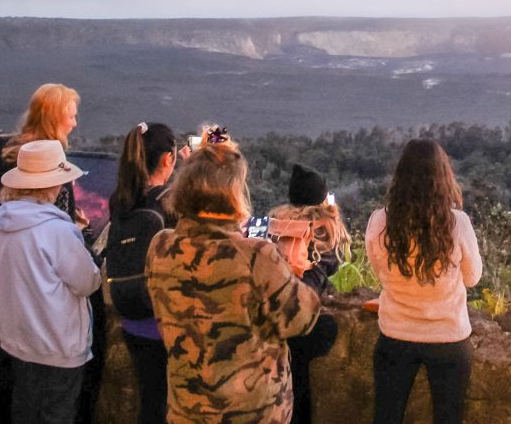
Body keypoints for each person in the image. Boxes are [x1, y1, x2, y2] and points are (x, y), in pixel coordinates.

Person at [145, 130, 321, 423]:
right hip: (252, 411)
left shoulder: (160, 246)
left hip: (187, 408)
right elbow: (303, 318)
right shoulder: (255, 256)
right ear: (232, 192)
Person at [0, 83, 101, 424]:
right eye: (71, 115)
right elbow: (84, 279)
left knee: (11, 377)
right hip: (50, 319)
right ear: (55, 116)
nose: (74, 123)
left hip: (6, 288)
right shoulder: (50, 163)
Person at [366, 138, 483, 424]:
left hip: (396, 335)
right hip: (449, 338)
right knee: (448, 417)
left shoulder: (381, 221)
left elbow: (379, 272)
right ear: (443, 177)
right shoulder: (458, 224)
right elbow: (472, 278)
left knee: (387, 416)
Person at [106, 122, 183, 424]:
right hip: (164, 322)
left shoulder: (120, 198)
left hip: (131, 315)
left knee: (149, 400)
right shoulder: (171, 201)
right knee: (170, 406)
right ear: (168, 159)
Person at [270, 164, 351, 424]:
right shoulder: (323, 229)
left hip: (269, 318)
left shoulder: (275, 223)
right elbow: (331, 266)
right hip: (299, 318)